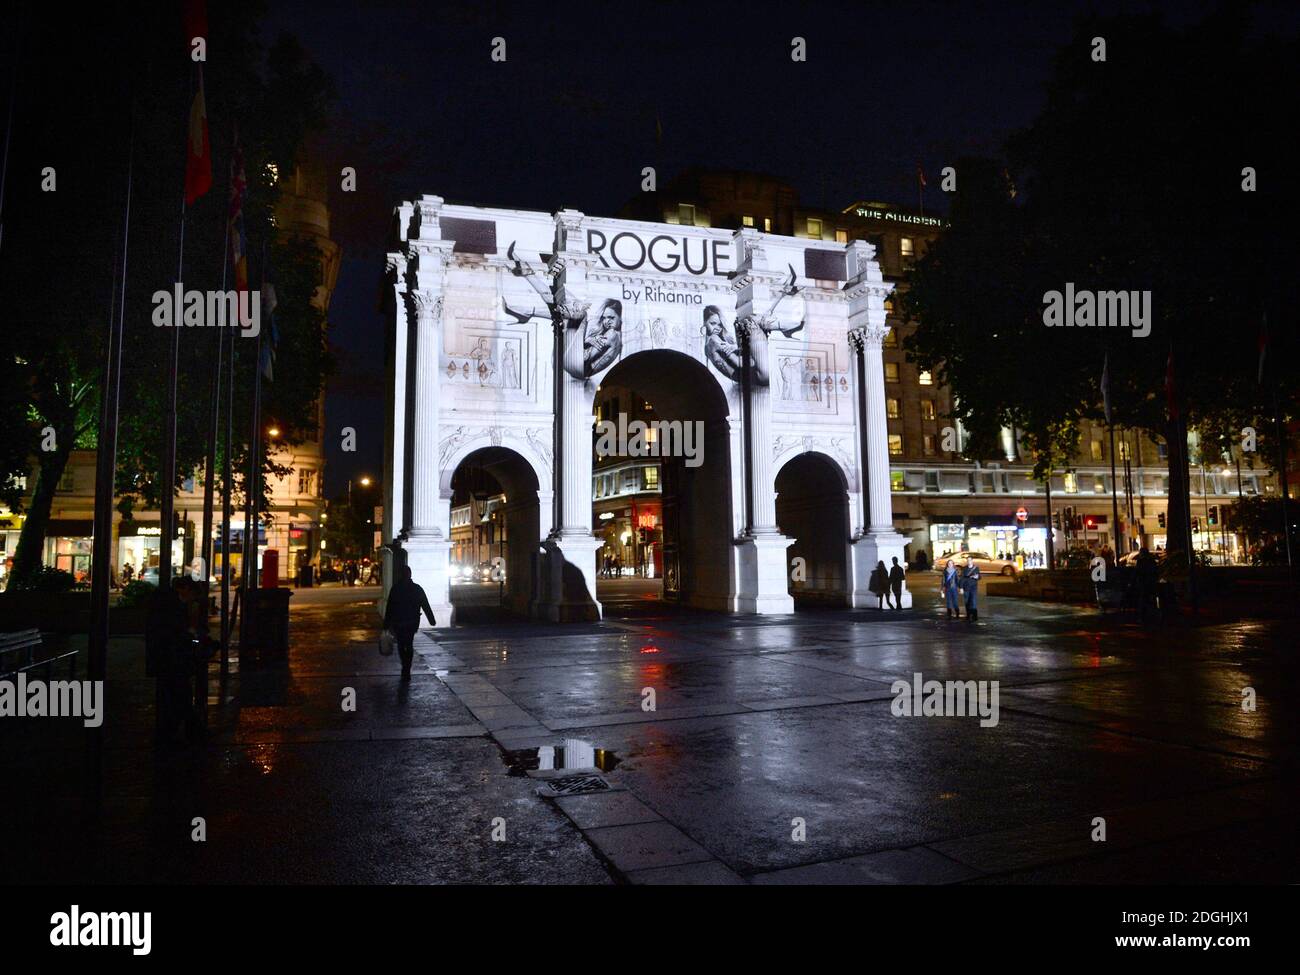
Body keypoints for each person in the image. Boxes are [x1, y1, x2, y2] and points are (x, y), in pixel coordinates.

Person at [383, 566, 437, 678]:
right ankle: (407, 666)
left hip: (399, 622)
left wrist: (386, 624)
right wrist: (431, 620)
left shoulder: (395, 589)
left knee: (401, 645)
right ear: (410, 575)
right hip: (412, 622)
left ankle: (405, 665)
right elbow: (425, 605)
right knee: (409, 644)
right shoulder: (417, 588)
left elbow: (390, 607)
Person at [1134, 546, 1158, 623]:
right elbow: (1155, 572)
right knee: (1151, 600)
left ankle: (1143, 617)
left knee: (1143, 600)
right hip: (1151, 583)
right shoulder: (1152, 561)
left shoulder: (1140, 562)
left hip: (1143, 583)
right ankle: (1152, 616)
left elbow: (1137, 572)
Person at [960, 556, 982, 622]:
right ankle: (968, 615)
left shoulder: (976, 568)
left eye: (970, 560)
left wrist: (977, 577)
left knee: (973, 601)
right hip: (966, 587)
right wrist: (961, 587)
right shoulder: (964, 568)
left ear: (972, 561)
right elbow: (962, 578)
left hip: (973, 587)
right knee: (967, 602)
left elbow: (979, 577)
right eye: (968, 560)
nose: (969, 561)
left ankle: (975, 616)